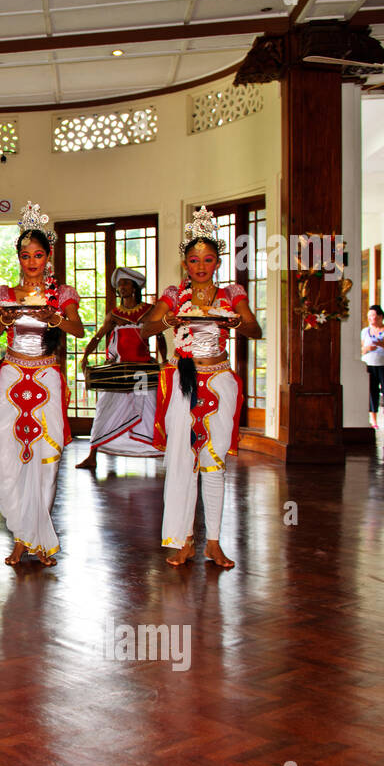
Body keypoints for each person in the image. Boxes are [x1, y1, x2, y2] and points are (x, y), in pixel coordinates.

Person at [139, 206, 262, 569]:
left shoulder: (231, 294)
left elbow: (254, 330)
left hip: (220, 381)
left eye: (208, 259)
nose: (201, 266)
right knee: (181, 459)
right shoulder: (175, 294)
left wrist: (238, 321)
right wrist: (168, 319)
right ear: (185, 265)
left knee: (214, 462)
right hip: (183, 381)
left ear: (218, 263)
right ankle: (184, 540)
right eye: (194, 260)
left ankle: (214, 542)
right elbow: (146, 328)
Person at [0, 201, 83, 567]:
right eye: (25, 255)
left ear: (48, 257)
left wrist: (55, 317)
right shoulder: (4, 294)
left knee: (46, 459)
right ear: (18, 258)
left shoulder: (61, 295)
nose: (32, 262)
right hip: (11, 378)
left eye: (38, 255)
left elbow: (78, 329)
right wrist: (3, 320)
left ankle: (39, 538)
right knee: (9, 459)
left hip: (47, 377)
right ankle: (22, 537)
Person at [75, 266, 163, 469]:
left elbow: (158, 336)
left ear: (134, 287)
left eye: (126, 283)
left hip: (142, 371)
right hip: (119, 370)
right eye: (120, 284)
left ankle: (158, 448)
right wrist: (86, 355)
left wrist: (163, 360)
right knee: (105, 408)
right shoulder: (114, 314)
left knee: (148, 408)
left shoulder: (149, 311)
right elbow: (98, 336)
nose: (122, 287)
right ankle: (92, 455)